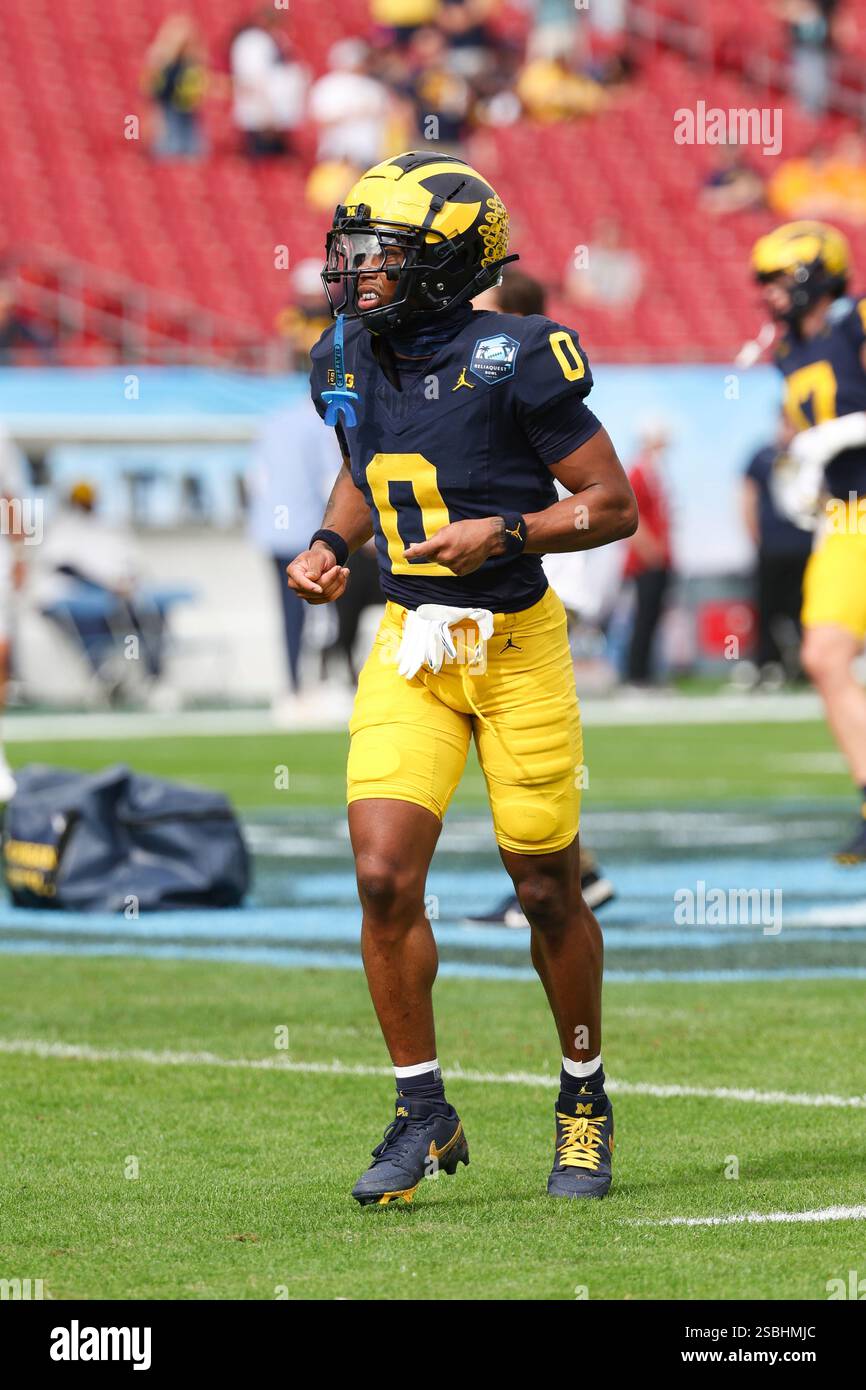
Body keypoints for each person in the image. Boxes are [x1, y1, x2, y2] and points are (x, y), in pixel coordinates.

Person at [288, 151, 637, 1205]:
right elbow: (366, 461)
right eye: (350, 254)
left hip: (515, 644)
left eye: (379, 256)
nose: (354, 275)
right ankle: (420, 1110)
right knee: (384, 874)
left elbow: (610, 503)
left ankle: (582, 1099)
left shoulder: (517, 354)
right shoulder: (343, 354)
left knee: (542, 885)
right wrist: (329, 541)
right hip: (409, 639)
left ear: (446, 264)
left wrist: (511, 531)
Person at [471, 266, 616, 919]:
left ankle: (569, 874)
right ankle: (574, 871)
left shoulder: (522, 373)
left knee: (524, 751)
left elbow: (596, 498)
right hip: (510, 572)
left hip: (528, 576)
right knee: (510, 751)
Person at [751, 220, 866, 862]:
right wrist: (800, 461)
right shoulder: (789, 351)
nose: (767, 294)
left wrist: (842, 434)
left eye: (776, 278)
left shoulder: (857, 325)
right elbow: (806, 426)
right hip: (847, 518)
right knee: (824, 656)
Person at [246, 397, 342, 721]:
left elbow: (255, 480)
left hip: (270, 532)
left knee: (289, 615)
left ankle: (292, 689)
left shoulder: (272, 421)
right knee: (325, 610)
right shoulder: (320, 425)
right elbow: (330, 482)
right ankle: (321, 686)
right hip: (308, 535)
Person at [741, 415, 812, 685]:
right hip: (773, 546)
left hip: (805, 544)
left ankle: (805, 666)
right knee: (767, 608)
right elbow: (747, 495)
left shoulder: (810, 452)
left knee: (805, 611)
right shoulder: (763, 456)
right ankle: (769, 665)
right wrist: (756, 536)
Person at [622, 419, 674, 686]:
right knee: (643, 618)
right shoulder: (638, 471)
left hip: (659, 557)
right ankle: (636, 675)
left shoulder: (655, 470)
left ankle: (647, 674)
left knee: (653, 618)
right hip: (645, 560)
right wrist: (648, 549)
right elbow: (630, 515)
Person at [229, 9, 308, 158]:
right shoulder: (254, 42)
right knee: (263, 164)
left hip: (273, 116)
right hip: (262, 117)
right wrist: (268, 114)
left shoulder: (270, 41)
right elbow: (254, 81)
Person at [143, 15, 207, 160]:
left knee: (193, 153)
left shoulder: (191, 63)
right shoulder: (162, 62)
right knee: (170, 150)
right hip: (168, 111)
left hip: (187, 112)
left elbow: (197, 88)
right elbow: (153, 91)